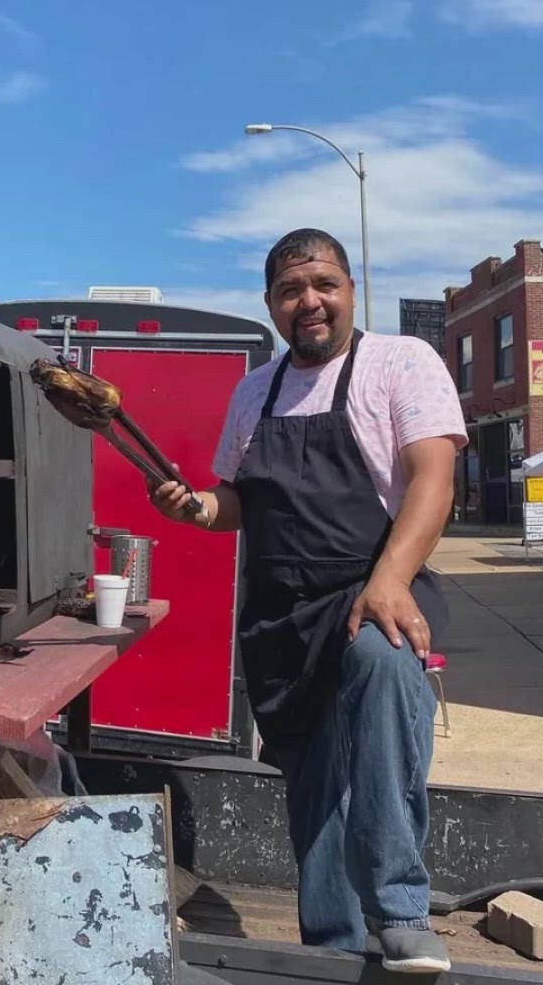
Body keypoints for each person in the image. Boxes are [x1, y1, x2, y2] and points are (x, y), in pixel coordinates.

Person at [150, 228, 466, 974]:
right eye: (291, 291)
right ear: (270, 305)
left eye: (324, 284)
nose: (310, 302)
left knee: (386, 669)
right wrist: (194, 507)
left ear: (351, 289)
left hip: (373, 586)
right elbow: (237, 500)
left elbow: (433, 479)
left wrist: (388, 579)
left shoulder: (399, 362)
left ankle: (399, 906)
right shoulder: (255, 388)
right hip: (279, 612)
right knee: (314, 777)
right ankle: (331, 944)